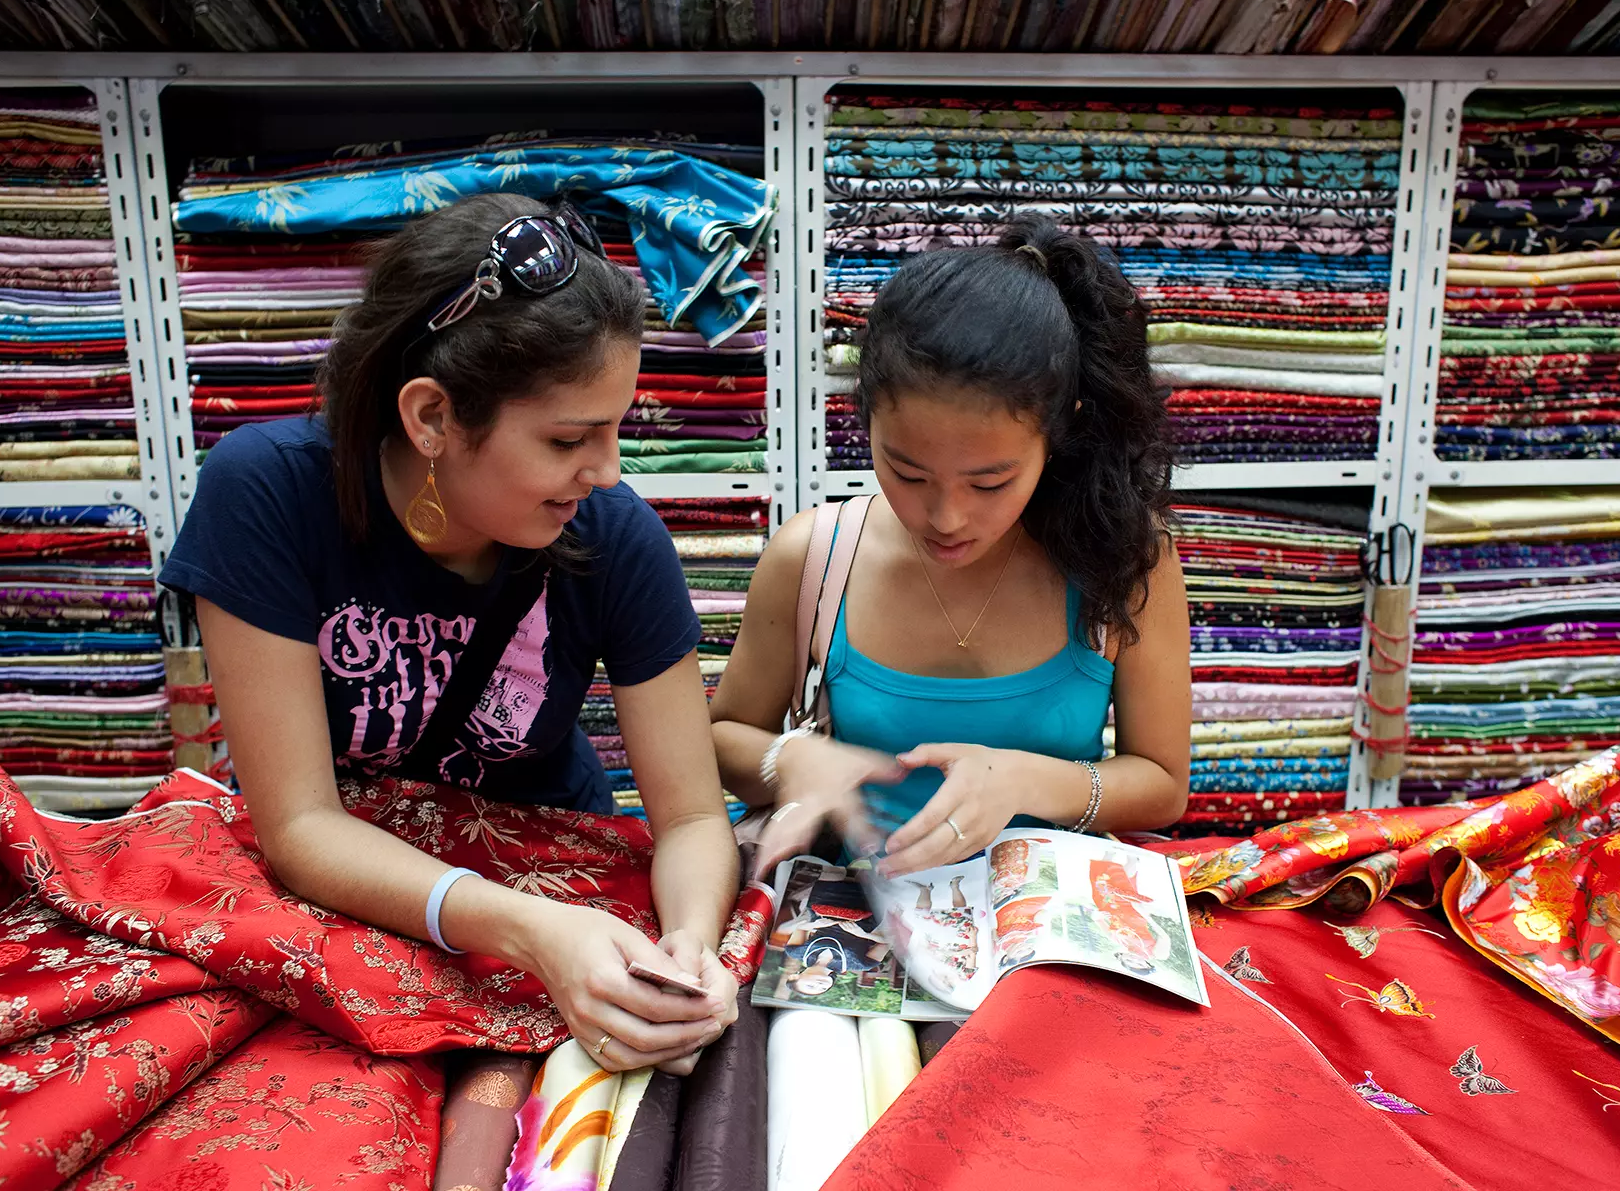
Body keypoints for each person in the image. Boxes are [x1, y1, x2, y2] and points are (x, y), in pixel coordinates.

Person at [158, 194, 739, 1073]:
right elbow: (303, 826)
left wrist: (693, 948)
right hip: (355, 891)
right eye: (569, 437)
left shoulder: (613, 534)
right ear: (432, 417)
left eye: (617, 428)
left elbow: (693, 814)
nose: (608, 470)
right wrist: (531, 930)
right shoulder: (269, 496)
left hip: (545, 872)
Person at [710, 217, 1192, 879]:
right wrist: (790, 759)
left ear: (1058, 436)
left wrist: (1021, 782)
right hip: (858, 927)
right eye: (907, 473)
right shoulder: (814, 558)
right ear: (866, 422)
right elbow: (720, 738)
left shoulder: (1125, 557)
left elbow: (1163, 784)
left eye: (990, 482)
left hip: (1043, 927)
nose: (945, 516)